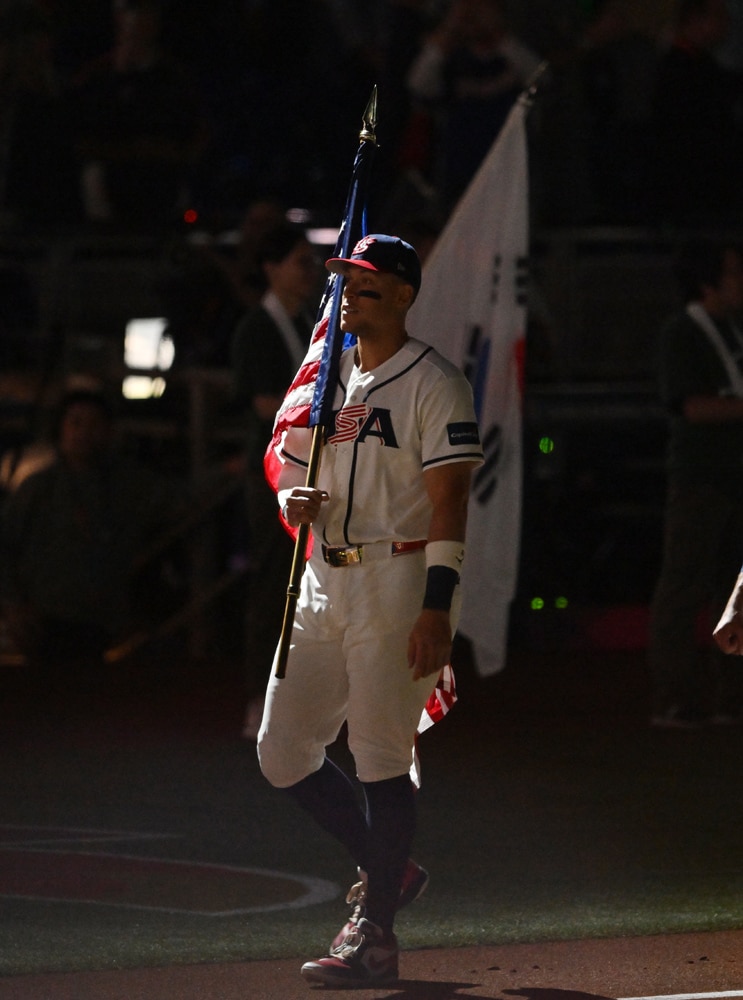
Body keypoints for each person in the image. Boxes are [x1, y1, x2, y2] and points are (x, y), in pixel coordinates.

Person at [256, 234, 484, 987]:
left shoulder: (435, 381)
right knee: (282, 749)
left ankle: (375, 934)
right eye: (345, 285)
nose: (350, 296)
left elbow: (451, 502)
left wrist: (436, 608)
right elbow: (298, 467)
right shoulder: (327, 381)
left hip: (396, 575)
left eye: (367, 285)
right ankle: (388, 869)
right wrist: (296, 500)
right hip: (323, 575)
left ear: (404, 294)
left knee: (381, 757)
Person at [0, 388, 179, 672]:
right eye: (76, 423)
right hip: (45, 616)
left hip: (100, 617)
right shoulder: (38, 487)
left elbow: (175, 498)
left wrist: (228, 470)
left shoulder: (125, 484)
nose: (85, 433)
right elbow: (6, 544)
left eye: (94, 424)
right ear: (60, 429)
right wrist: (12, 605)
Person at [647, 239, 743, 728]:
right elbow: (691, 406)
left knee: (735, 588)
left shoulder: (730, 330)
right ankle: (676, 697)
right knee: (684, 586)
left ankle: (730, 696)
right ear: (709, 283)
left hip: (732, 476)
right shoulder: (682, 332)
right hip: (702, 477)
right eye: (732, 273)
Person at [230, 222, 320, 740]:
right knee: (271, 584)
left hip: (309, 467)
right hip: (272, 474)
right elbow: (265, 403)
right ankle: (256, 698)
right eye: (300, 262)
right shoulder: (256, 329)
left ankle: (301, 698)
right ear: (271, 268)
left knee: (311, 586)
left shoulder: (308, 321)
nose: (308, 273)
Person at [406, 0, 541, 209]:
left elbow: (541, 77)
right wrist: (451, 28)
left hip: (508, 161)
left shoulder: (512, 52)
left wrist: (498, 36)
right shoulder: (450, 57)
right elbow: (418, 84)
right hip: (459, 163)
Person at [651, 0, 743, 226]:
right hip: (694, 189)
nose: (727, 25)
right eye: (719, 17)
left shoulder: (701, 63)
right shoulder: (681, 68)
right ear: (696, 20)